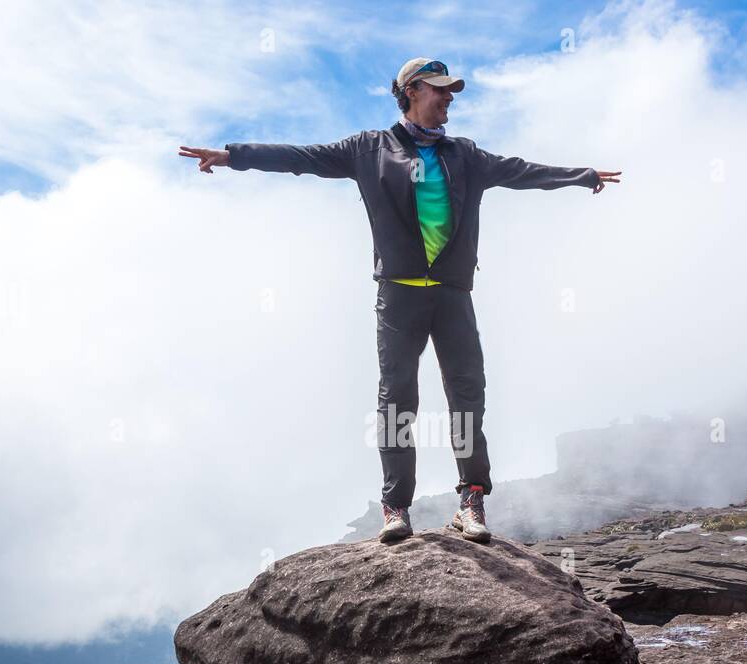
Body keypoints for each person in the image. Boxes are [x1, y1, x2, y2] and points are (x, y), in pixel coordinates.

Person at [180, 57, 619, 544]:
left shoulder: (465, 154)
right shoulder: (368, 149)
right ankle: (396, 508)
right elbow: (300, 158)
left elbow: (521, 171)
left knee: (467, 398)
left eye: (452, 91)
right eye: (440, 90)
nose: (449, 98)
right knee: (396, 404)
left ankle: (471, 502)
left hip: (452, 296)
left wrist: (580, 175)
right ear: (411, 91)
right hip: (398, 297)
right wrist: (232, 155)